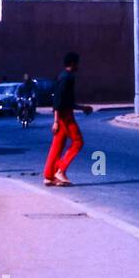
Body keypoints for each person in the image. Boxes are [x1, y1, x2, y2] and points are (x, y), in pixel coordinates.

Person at [44, 52, 93, 187]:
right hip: (65, 116)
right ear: (72, 63)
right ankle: (61, 170)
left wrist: (82, 108)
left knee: (57, 145)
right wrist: (55, 121)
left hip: (62, 115)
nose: (78, 66)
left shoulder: (60, 76)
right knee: (78, 141)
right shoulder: (68, 78)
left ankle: (49, 176)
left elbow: (61, 100)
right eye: (77, 63)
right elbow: (59, 101)